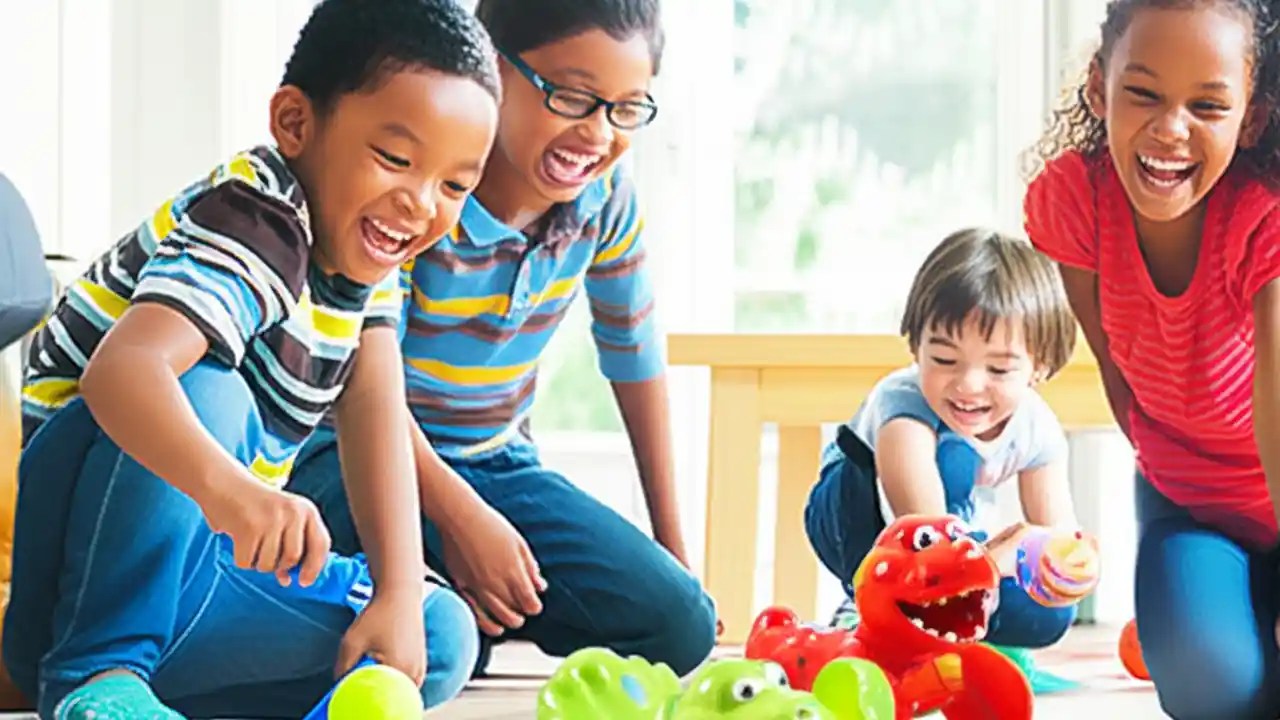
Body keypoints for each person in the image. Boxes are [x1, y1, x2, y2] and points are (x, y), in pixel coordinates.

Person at [2, 1, 502, 718]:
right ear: (295, 123)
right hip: (88, 572)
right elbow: (124, 369)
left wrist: (394, 591)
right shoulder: (254, 215)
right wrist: (235, 494)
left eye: (455, 185)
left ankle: (157, 693)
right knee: (212, 388)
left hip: (208, 576)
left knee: (432, 633)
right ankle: (96, 676)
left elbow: (375, 413)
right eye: (395, 159)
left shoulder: (374, 259)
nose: (420, 204)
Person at [288, 0, 718, 678]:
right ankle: (429, 599)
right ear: (488, 67)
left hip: (495, 462)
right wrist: (460, 520)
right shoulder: (423, 196)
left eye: (627, 108)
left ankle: (451, 602)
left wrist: (672, 548)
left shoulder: (604, 200)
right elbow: (362, 389)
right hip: (355, 457)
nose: (598, 134)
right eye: (573, 97)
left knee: (679, 622)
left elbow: (634, 357)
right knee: (429, 625)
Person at [1022, 0, 1280, 716]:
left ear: (1250, 118)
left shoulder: (1264, 215)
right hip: (1192, 507)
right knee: (1212, 684)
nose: (1171, 129)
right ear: (1098, 87)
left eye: (1208, 105)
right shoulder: (1073, 201)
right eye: (1144, 93)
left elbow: (1277, 401)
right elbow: (1116, 367)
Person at [803, 229, 1084, 691]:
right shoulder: (904, 408)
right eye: (944, 359)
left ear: (1041, 367)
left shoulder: (1039, 428)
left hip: (952, 532)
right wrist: (990, 558)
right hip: (855, 511)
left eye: (998, 369)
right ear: (916, 348)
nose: (969, 385)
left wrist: (1066, 565)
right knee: (951, 459)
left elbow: (1058, 538)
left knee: (1050, 610)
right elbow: (925, 532)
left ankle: (952, 624)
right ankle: (867, 608)